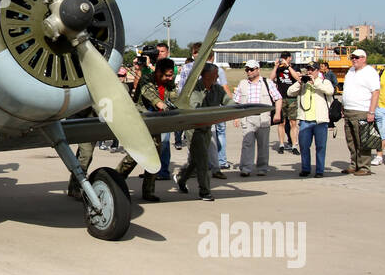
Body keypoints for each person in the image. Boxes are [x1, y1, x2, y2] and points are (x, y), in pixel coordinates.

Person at [114, 57, 179, 201]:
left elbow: (175, 98)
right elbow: (151, 96)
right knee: (134, 156)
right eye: (168, 75)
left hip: (155, 124)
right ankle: (115, 180)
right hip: (140, 121)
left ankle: (148, 191)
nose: (170, 77)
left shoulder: (169, 83)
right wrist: (163, 106)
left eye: (171, 74)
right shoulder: (146, 80)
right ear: (158, 72)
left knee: (154, 157)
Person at [175, 64, 225, 201]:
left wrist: (238, 108)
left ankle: (181, 178)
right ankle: (204, 191)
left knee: (196, 160)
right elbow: (195, 106)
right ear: (206, 76)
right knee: (203, 160)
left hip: (207, 128)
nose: (217, 77)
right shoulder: (194, 89)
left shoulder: (217, 89)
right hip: (194, 128)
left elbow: (227, 100)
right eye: (215, 75)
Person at [233, 59, 282, 176]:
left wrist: (277, 113)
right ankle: (245, 168)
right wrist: (236, 117)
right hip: (247, 118)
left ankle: (262, 167)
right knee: (247, 143)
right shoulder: (242, 83)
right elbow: (236, 102)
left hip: (263, 118)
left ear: (258, 70)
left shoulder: (267, 82)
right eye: (247, 70)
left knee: (263, 144)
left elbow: (278, 98)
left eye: (251, 69)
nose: (249, 72)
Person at [289, 63, 334, 176]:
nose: (309, 72)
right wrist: (299, 83)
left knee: (320, 147)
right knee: (304, 146)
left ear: (318, 71)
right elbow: (289, 92)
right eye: (308, 70)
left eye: (312, 70)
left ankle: (319, 170)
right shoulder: (303, 83)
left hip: (320, 120)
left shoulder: (324, 82)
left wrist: (315, 82)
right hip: (305, 120)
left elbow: (330, 91)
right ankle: (305, 168)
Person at [339, 49, 379, 175]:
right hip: (349, 110)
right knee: (351, 140)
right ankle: (354, 164)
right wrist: (343, 107)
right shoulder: (350, 71)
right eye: (352, 58)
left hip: (362, 110)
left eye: (357, 57)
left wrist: (371, 112)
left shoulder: (370, 72)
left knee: (362, 140)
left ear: (364, 58)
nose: (354, 60)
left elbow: (376, 93)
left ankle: (364, 167)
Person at [272, 52, 300, 154]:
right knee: (281, 123)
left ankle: (294, 145)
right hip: (281, 98)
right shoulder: (279, 68)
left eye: (285, 58)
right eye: (282, 58)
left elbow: (297, 78)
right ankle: (281, 144)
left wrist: (288, 67)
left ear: (290, 58)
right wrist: (275, 67)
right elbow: (271, 79)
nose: (283, 60)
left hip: (292, 98)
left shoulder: (294, 67)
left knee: (293, 123)